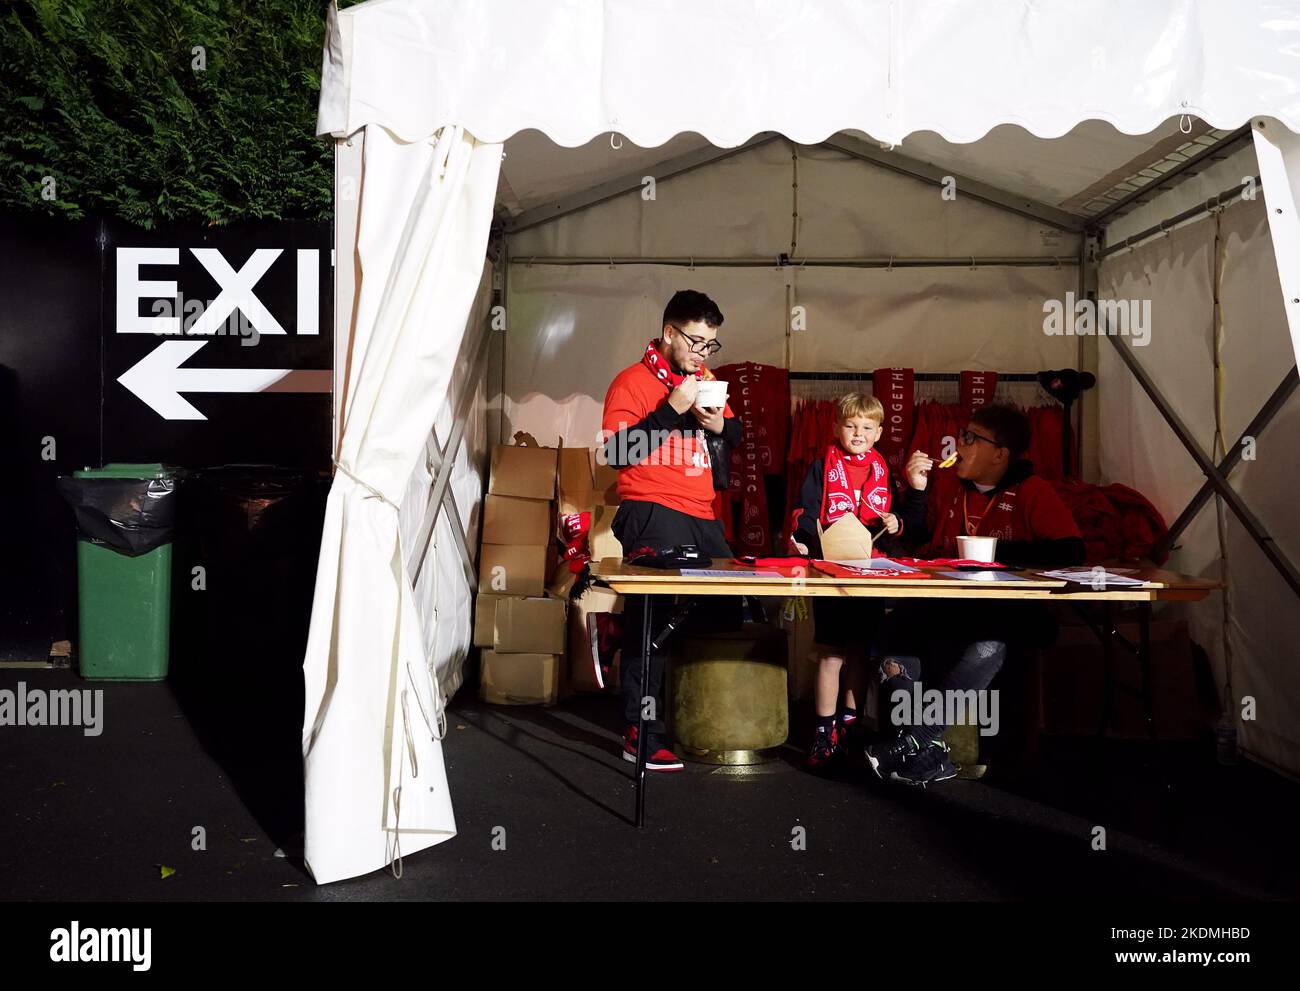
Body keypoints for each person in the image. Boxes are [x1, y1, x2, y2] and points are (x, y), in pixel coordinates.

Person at [868, 403, 1085, 786]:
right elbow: (917, 540)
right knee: (893, 629)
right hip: (950, 604)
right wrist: (916, 492)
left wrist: (996, 553)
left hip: (1010, 611)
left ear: (1000, 454)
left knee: (990, 640)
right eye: (961, 435)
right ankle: (921, 749)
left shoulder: (1032, 491)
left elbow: (1071, 551)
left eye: (970, 438)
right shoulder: (949, 485)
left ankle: (914, 739)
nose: (958, 445)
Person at [600, 290, 741, 772]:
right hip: (649, 505)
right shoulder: (631, 383)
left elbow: (737, 436)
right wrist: (670, 410)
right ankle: (642, 730)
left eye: (711, 345)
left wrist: (718, 424)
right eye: (697, 342)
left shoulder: (705, 379)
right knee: (654, 612)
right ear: (668, 334)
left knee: (734, 607)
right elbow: (615, 454)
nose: (703, 353)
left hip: (701, 510)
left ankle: (617, 633)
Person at [788, 392, 923, 769]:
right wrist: (802, 537)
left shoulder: (884, 470)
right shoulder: (821, 466)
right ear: (836, 428)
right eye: (850, 426)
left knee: (862, 651)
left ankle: (851, 725)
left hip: (871, 571)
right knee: (831, 653)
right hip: (832, 568)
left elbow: (893, 520)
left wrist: (896, 522)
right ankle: (823, 731)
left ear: (879, 433)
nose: (858, 434)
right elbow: (806, 510)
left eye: (866, 427)